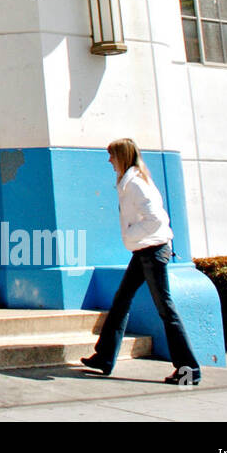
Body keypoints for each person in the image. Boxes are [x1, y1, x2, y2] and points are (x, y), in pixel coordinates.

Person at [81, 138, 202, 386]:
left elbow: (157, 219)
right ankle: (104, 357)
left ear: (122, 157)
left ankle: (189, 370)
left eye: (112, 156)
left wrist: (131, 234)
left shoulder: (136, 184)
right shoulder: (131, 182)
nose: (109, 160)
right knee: (121, 300)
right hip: (144, 251)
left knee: (165, 310)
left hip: (152, 251)